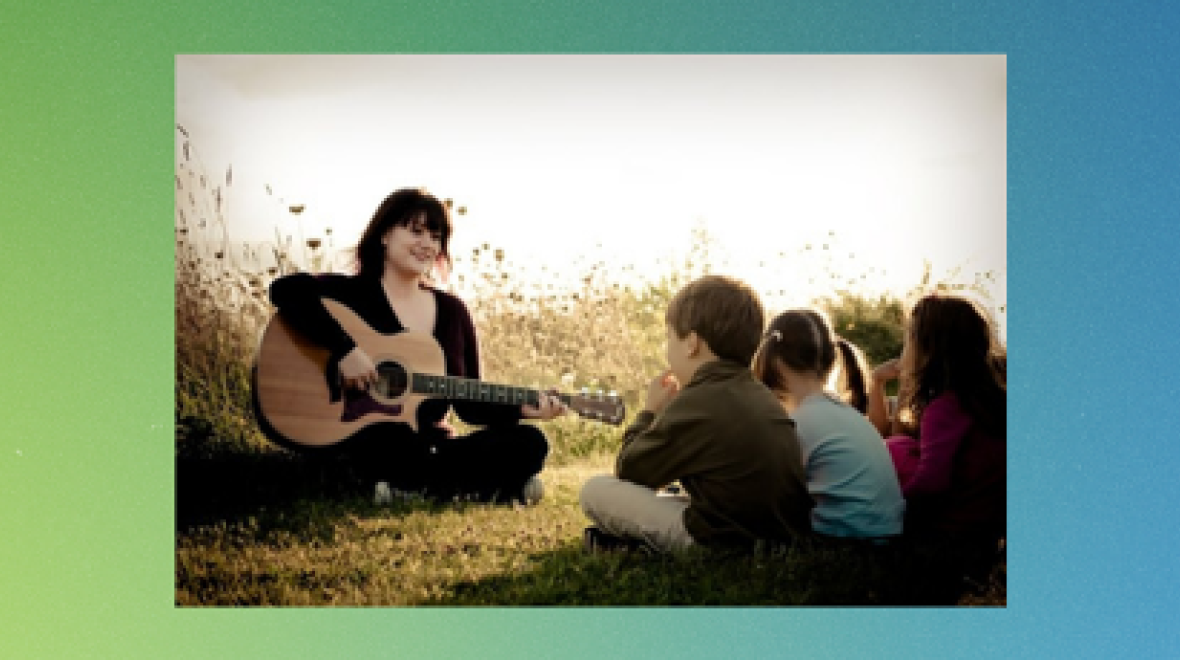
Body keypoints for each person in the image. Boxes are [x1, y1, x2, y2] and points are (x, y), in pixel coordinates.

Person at [268, 188, 566, 504]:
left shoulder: (452, 312)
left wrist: (521, 408)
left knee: (529, 442)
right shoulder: (352, 294)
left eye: (435, 237)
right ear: (385, 235)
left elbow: (469, 404)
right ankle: (487, 489)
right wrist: (345, 351)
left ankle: (414, 489)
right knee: (387, 437)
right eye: (416, 231)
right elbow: (285, 290)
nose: (427, 244)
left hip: (431, 446)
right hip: (366, 440)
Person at [579, 275, 812, 553]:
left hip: (723, 540)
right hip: (777, 537)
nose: (668, 351)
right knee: (673, 497)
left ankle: (637, 545)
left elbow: (631, 470)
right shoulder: (760, 394)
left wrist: (650, 411)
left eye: (670, 338)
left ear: (691, 343)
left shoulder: (700, 398)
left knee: (595, 490)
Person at [867, 292, 1006, 600]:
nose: (904, 351)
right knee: (903, 445)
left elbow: (931, 483)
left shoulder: (945, 408)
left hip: (949, 543)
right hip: (986, 537)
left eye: (908, 341)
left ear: (929, 350)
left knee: (897, 451)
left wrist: (890, 508)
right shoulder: (991, 401)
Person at [751, 309, 905, 542]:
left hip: (851, 540)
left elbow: (770, 494)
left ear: (773, 359)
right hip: (885, 533)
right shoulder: (844, 413)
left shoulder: (800, 421)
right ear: (831, 362)